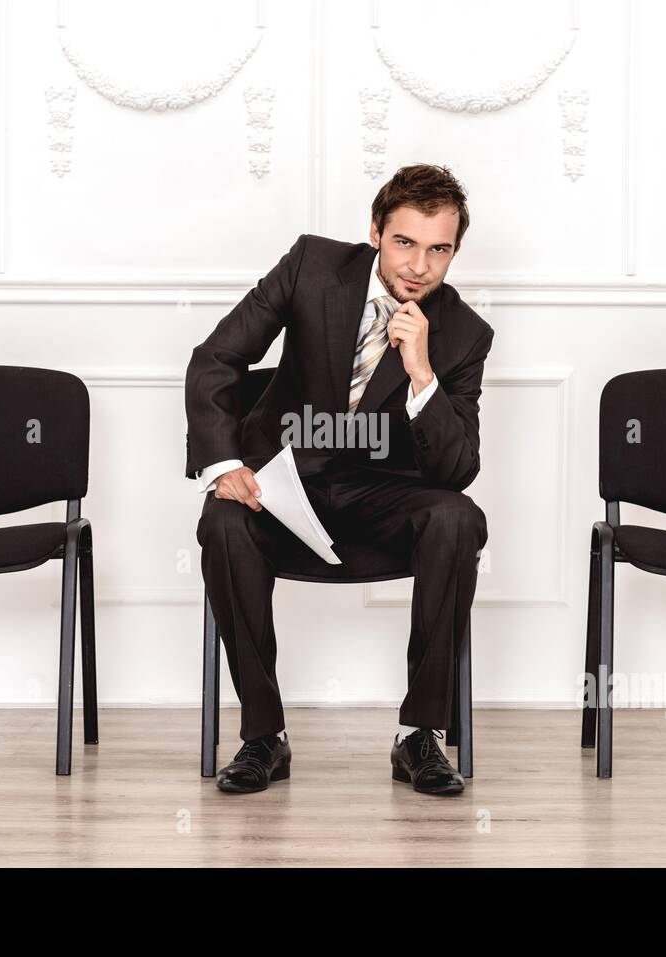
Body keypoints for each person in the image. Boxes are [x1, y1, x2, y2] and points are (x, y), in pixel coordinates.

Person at [184, 164, 494, 795]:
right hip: (283, 485)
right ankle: (263, 736)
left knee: (458, 518)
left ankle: (420, 737)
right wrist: (223, 464)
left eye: (440, 250)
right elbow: (216, 358)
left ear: (455, 252)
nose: (419, 265)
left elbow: (456, 471)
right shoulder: (312, 267)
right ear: (376, 231)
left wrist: (422, 373)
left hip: (382, 500)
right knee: (221, 522)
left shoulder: (463, 334)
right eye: (405, 242)